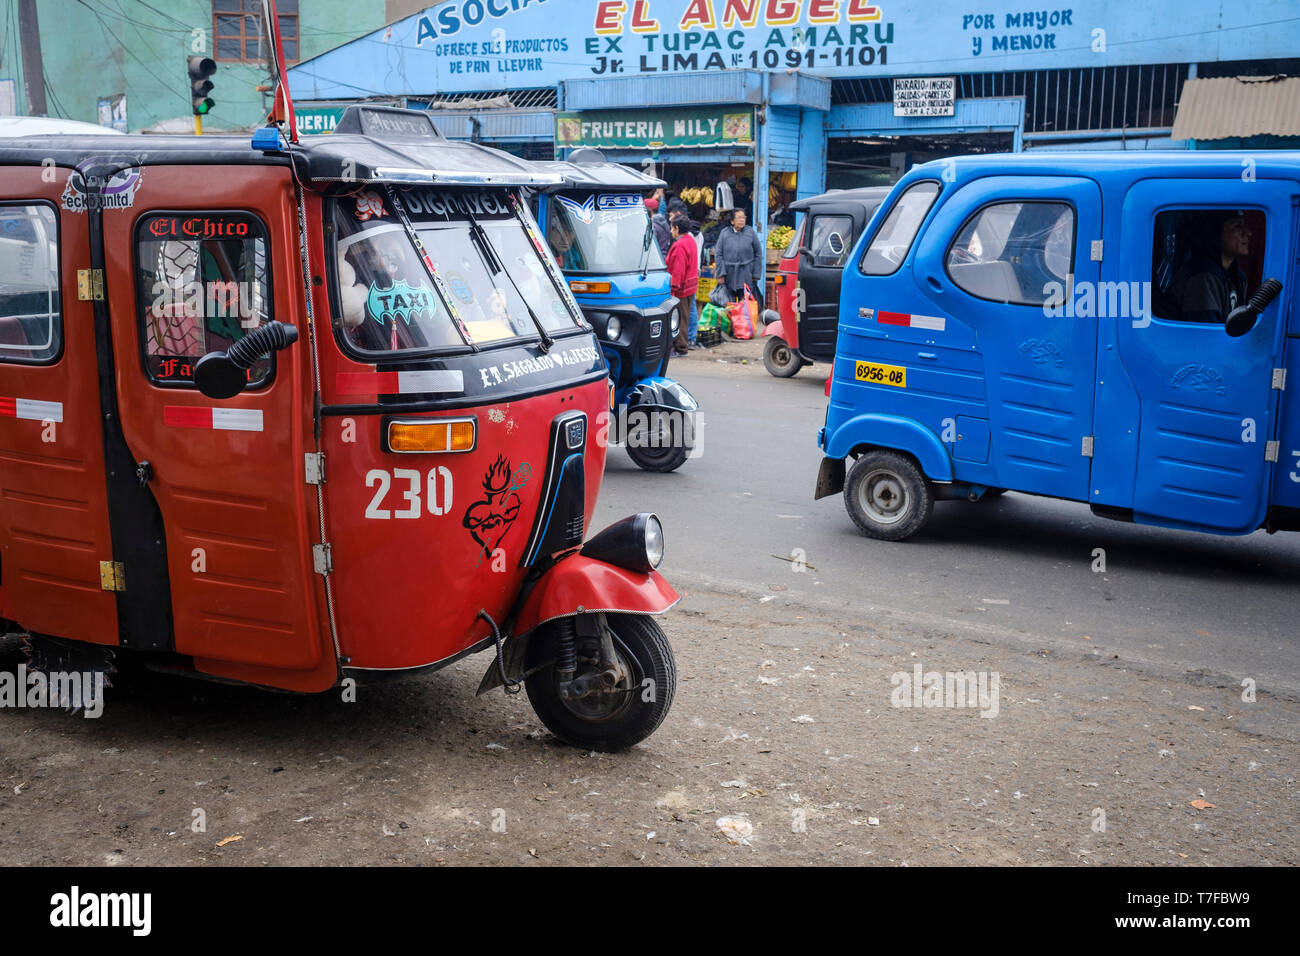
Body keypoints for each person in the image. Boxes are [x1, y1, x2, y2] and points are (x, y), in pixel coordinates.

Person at [1170, 211, 1252, 324]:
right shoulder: (1202, 278)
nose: (1248, 233)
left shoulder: (1237, 276)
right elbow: (1208, 336)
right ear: (1216, 232)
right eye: (1237, 226)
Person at [713, 207, 764, 311]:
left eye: (743, 217)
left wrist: (756, 274)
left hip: (746, 273)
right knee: (729, 306)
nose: (742, 220)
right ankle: (731, 326)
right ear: (732, 221)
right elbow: (719, 254)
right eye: (739, 218)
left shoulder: (750, 232)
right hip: (729, 274)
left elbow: (758, 253)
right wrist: (721, 274)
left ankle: (744, 326)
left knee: (745, 304)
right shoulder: (724, 233)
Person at [666, 218, 698, 355]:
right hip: (690, 285)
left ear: (677, 228)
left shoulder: (680, 245)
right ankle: (681, 346)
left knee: (679, 319)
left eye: (672, 228)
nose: (671, 231)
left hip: (681, 288)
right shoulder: (690, 240)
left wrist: (673, 288)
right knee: (684, 316)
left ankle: (680, 347)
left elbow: (678, 270)